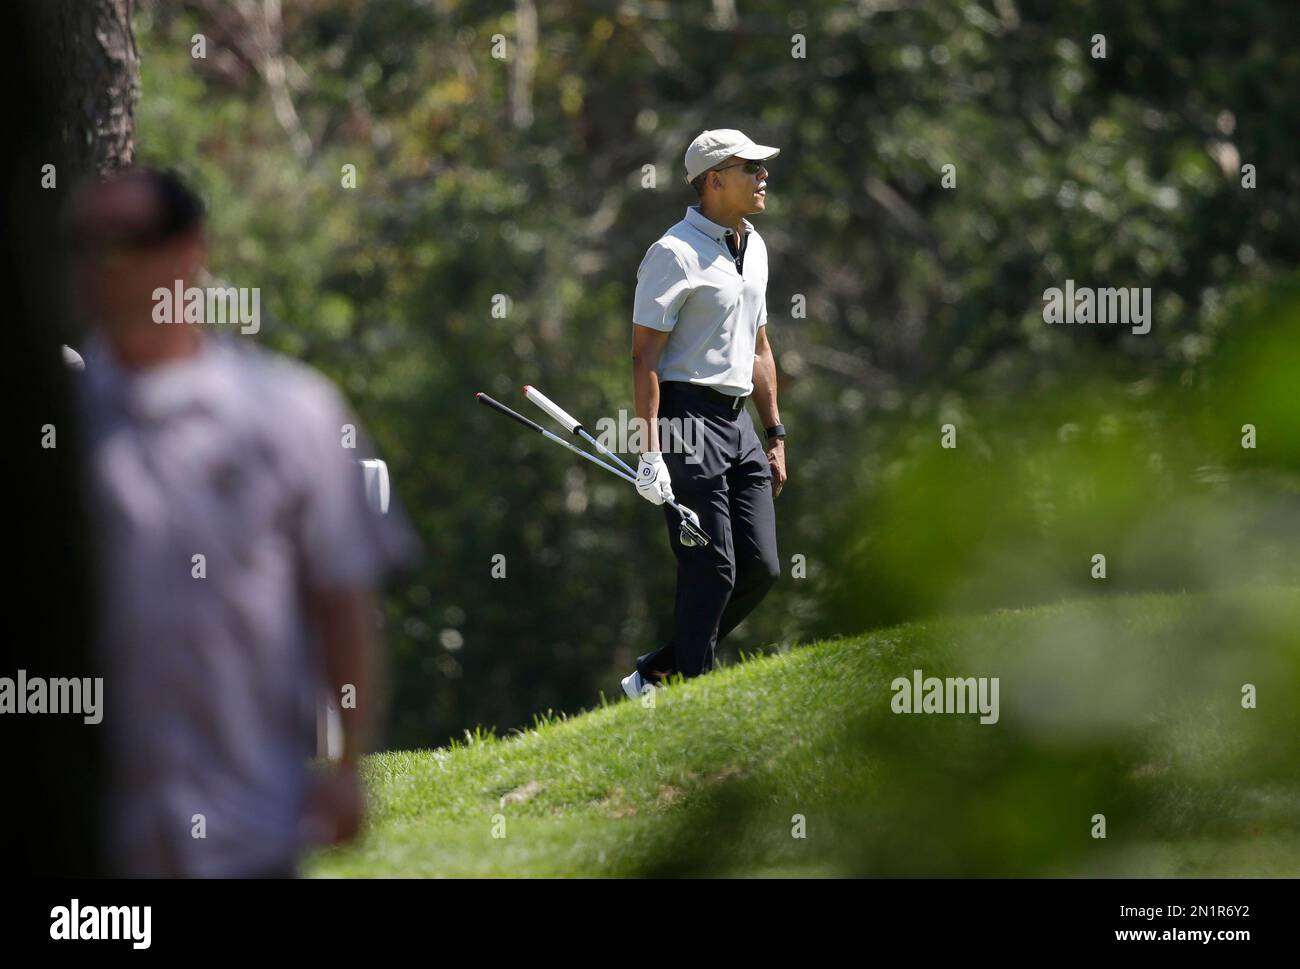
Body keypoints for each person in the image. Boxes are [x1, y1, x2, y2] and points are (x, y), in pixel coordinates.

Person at [68, 169, 418, 876]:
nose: (105, 267)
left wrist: (348, 764)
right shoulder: (47, 429)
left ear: (189, 251)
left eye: (129, 242)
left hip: (247, 831)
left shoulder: (292, 413)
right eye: (83, 244)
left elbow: (342, 604)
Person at [622, 129, 787, 697]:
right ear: (714, 180)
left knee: (760, 567)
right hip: (685, 419)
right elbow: (646, 354)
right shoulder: (673, 252)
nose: (764, 176)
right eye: (751, 168)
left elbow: (761, 346)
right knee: (711, 569)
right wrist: (650, 452)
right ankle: (693, 695)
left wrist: (776, 432)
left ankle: (659, 672)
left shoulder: (756, 246)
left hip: (738, 421)